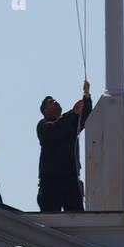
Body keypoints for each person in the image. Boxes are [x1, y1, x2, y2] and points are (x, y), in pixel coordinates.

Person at [36, 80, 92, 212]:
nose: (56, 102)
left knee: (77, 219)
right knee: (49, 221)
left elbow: (85, 116)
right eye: (51, 102)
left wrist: (87, 96)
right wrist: (73, 113)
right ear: (44, 111)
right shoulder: (43, 126)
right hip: (51, 182)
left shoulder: (68, 124)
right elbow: (54, 130)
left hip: (70, 180)